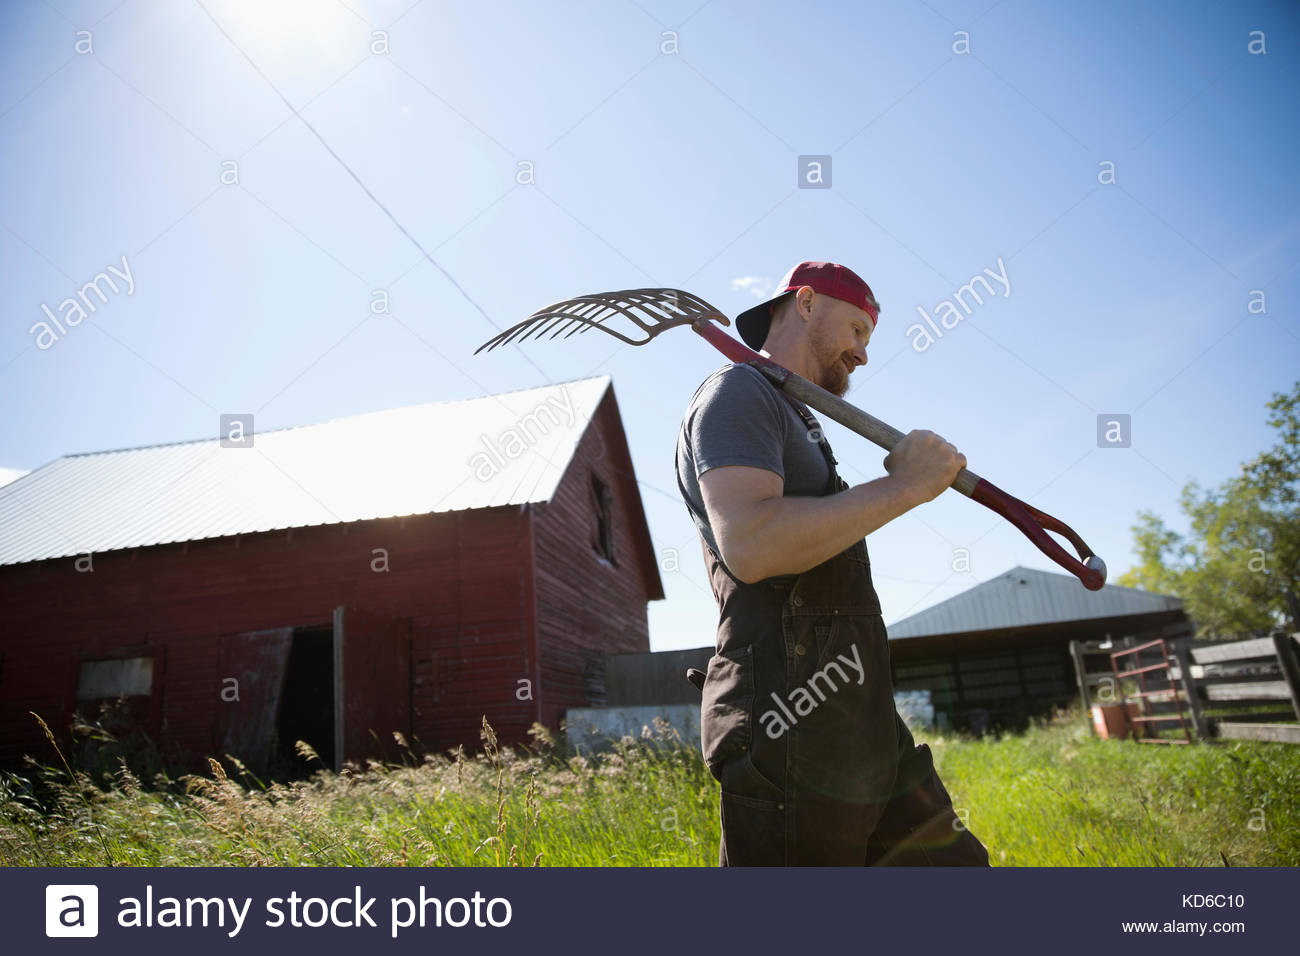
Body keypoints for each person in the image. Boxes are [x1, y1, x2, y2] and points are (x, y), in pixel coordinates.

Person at [675, 260, 991, 866]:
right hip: (789, 720)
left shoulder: (792, 414)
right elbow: (752, 544)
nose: (863, 354)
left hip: (855, 716)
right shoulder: (738, 393)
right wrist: (905, 488)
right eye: (858, 330)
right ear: (809, 303)